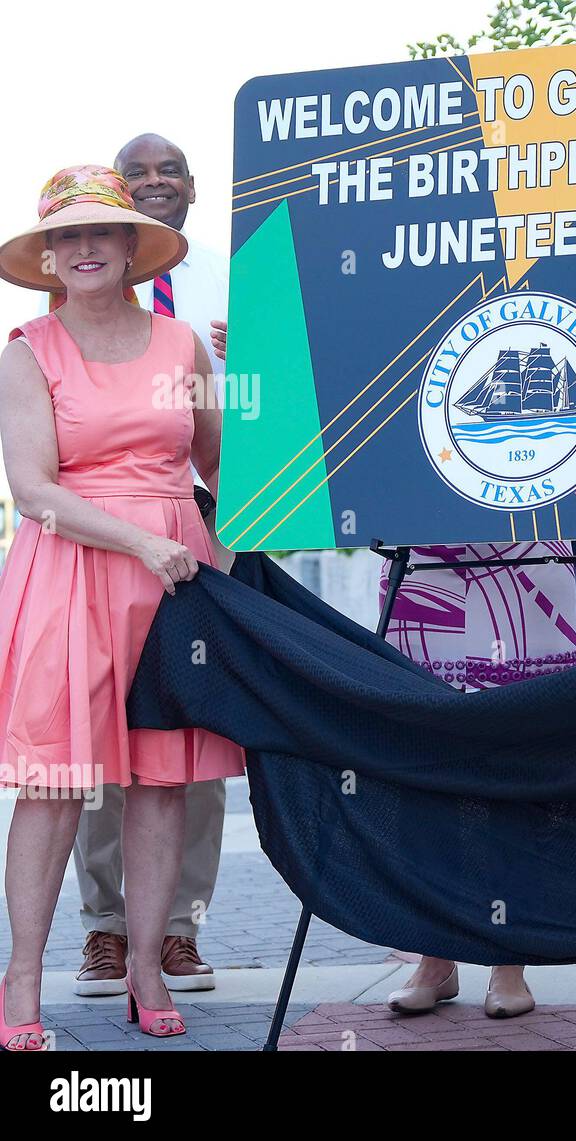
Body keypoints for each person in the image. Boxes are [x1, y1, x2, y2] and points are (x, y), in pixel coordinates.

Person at [0, 166, 244, 1048]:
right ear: (51, 257)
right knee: (56, 786)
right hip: (72, 574)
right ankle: (21, 975)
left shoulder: (186, 347)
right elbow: (32, 490)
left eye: (103, 232)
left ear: (133, 246)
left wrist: (260, 373)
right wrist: (141, 541)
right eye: (69, 236)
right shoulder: (26, 350)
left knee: (161, 783)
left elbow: (224, 469)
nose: (87, 247)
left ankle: (146, 966)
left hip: (176, 582)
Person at [68, 134, 233, 1000]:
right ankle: (104, 930)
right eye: (139, 173)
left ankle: (176, 930)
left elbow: (252, 426)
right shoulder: (70, 301)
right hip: (95, 541)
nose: (157, 182)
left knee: (190, 731)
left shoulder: (238, 279)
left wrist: (255, 370)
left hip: (206, 525)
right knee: (98, 739)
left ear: (193, 188)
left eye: (170, 170)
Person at [381, 541, 576, 1019]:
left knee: (516, 760)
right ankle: (434, 953)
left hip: (526, 541)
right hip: (422, 546)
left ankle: (508, 958)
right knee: (423, 761)